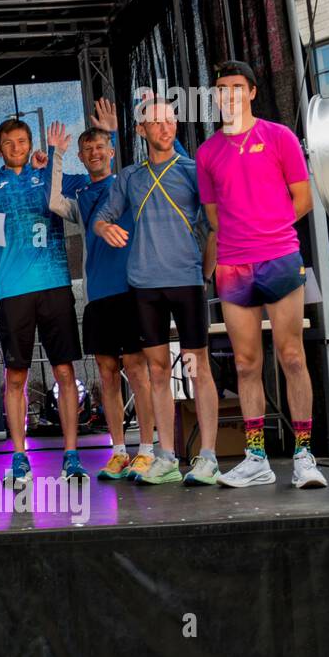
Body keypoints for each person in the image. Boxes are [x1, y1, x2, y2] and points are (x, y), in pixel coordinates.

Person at [197, 60, 327, 489]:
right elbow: (215, 217)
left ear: (251, 92)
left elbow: (304, 198)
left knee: (292, 356)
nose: (228, 95)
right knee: (246, 363)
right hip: (234, 266)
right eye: (221, 89)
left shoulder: (279, 136)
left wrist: (268, 230)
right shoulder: (207, 152)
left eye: (237, 87)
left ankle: (304, 455)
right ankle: (256, 457)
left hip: (280, 257)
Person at [91, 101, 220, 485]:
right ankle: (165, 457)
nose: (165, 127)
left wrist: (206, 274)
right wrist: (102, 230)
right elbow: (102, 217)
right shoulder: (130, 176)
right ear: (141, 129)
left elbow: (216, 225)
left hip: (186, 282)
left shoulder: (193, 171)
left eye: (170, 120)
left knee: (197, 367)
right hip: (144, 286)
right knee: (158, 370)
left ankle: (208, 457)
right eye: (156, 122)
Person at [0, 117, 86, 488]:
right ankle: (19, 458)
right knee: (15, 376)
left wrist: (56, 157)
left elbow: (96, 184)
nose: (16, 148)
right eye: (9, 143)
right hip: (13, 291)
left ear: (29, 143)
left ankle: (71, 455)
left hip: (54, 285)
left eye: (22, 141)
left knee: (65, 372)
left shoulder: (49, 173)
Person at [48, 98, 160, 481]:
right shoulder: (81, 197)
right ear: (81, 156)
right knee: (107, 372)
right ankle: (118, 451)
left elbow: (142, 166)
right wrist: (56, 156)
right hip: (98, 297)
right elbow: (52, 200)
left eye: (101, 147)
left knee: (137, 369)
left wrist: (113, 131)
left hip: (131, 290)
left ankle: (146, 449)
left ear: (111, 151)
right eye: (88, 149)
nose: (94, 153)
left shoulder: (128, 183)